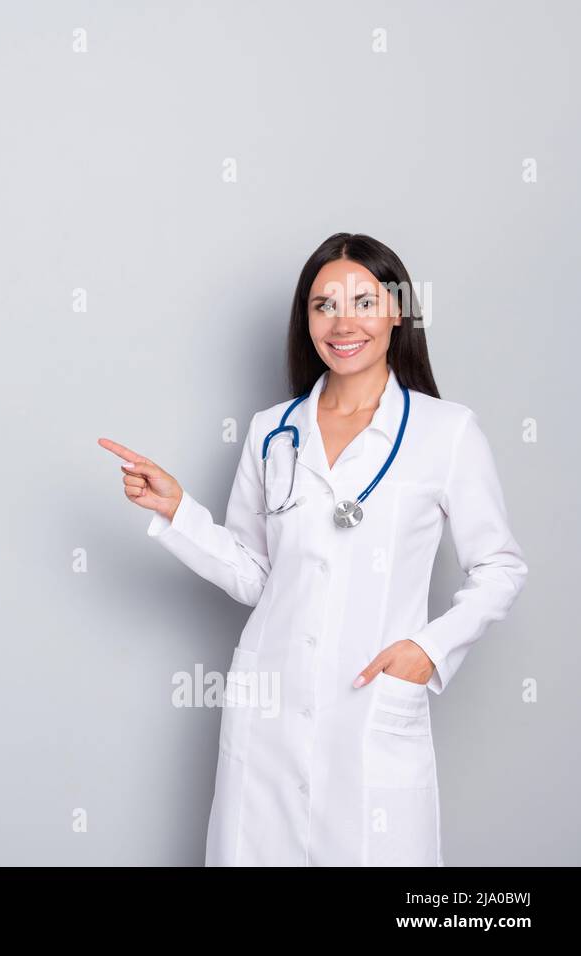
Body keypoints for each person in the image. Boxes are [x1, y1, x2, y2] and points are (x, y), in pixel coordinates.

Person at [99, 233, 527, 866]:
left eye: (363, 301)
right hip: (268, 709)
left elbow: (500, 567)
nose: (343, 322)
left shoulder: (446, 432)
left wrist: (427, 651)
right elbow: (254, 574)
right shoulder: (273, 430)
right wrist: (177, 511)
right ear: (306, 320)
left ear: (397, 313)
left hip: (370, 702)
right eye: (324, 305)